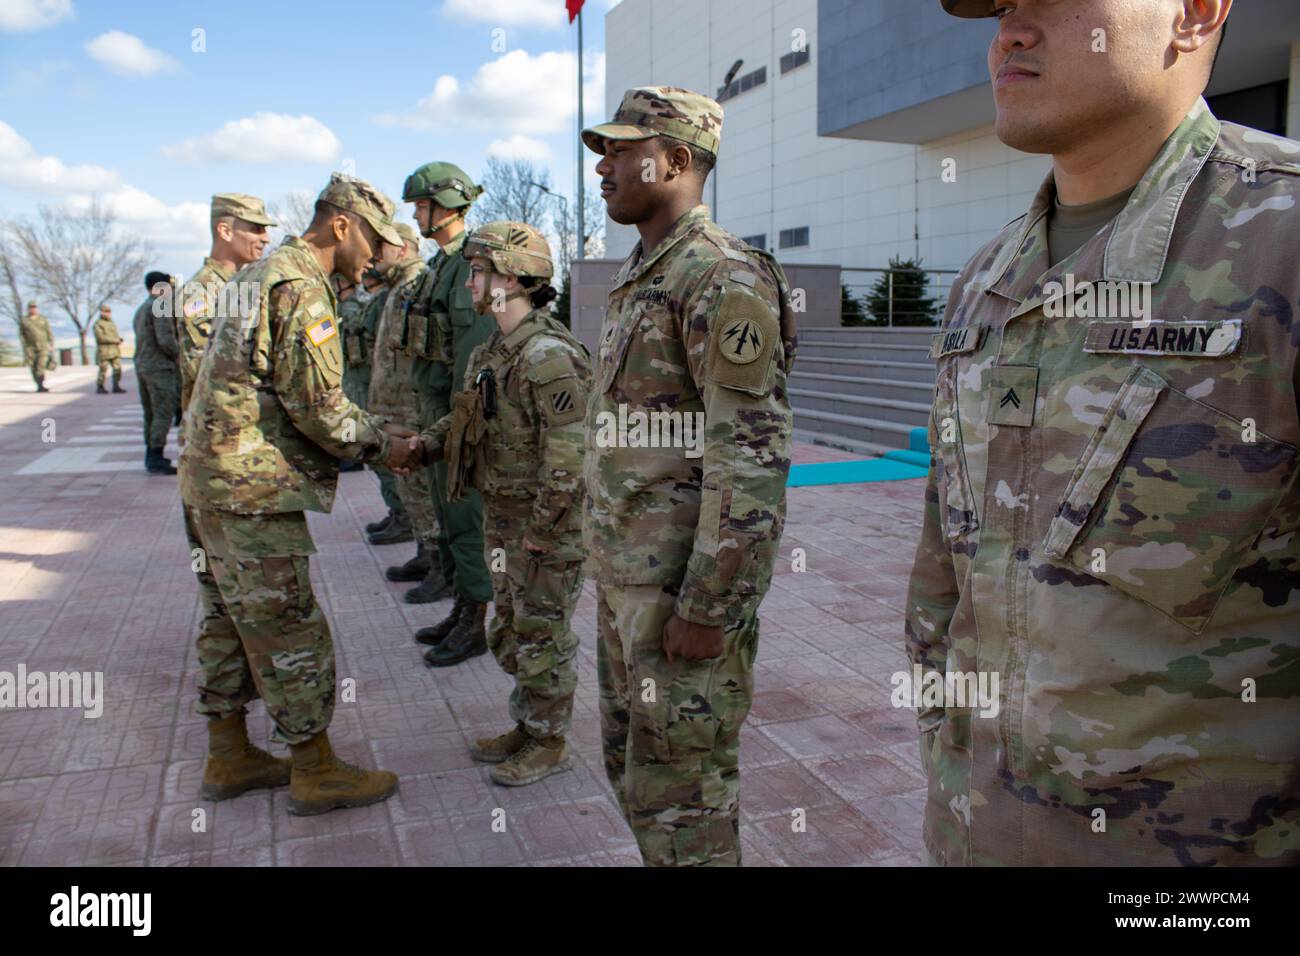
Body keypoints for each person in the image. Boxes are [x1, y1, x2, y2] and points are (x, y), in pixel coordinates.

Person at [910, 0, 1299, 866]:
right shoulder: (988, 275)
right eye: (1000, 8)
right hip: (974, 831)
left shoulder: (1281, 241)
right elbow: (948, 566)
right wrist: (943, 736)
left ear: (1194, 13)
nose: (1009, 30)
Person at [581, 86, 797, 866]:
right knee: (637, 774)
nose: (603, 166)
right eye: (601, 150)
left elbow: (752, 455)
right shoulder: (643, 273)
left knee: (683, 794)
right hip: (627, 582)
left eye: (621, 149)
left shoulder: (719, 276)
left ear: (675, 160)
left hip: (680, 594)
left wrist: (711, 603)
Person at [179, 172, 418, 816]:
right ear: (342, 225)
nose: (376, 253)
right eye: (373, 239)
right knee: (288, 626)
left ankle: (228, 754)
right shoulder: (299, 286)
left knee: (230, 620)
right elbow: (320, 408)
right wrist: (386, 445)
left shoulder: (258, 277)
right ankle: (314, 769)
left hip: (210, 482)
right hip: (252, 490)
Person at [408, 222, 590, 785]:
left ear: (511, 277)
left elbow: (571, 456)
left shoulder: (549, 355)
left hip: (542, 530)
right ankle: (531, 723)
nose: (468, 284)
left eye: (478, 272)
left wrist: (541, 530)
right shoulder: (491, 349)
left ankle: (550, 741)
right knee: (510, 631)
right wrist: (420, 446)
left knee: (542, 635)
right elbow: (464, 418)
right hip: (503, 520)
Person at [400, 162, 496, 660]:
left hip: (455, 415)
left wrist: (460, 424)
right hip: (434, 410)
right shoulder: (440, 266)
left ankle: (477, 618)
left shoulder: (470, 264)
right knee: (444, 512)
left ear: (448, 205)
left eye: (421, 205)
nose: (416, 214)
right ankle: (462, 605)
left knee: (465, 518)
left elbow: (474, 350)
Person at [366, 222, 446, 591]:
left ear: (402, 248)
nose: (373, 254)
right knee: (408, 488)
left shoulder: (419, 283)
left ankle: (438, 563)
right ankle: (424, 550)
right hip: (392, 406)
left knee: (421, 489)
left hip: (410, 406)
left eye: (381, 246)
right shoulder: (397, 288)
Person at [177, 194, 275, 415]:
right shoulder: (201, 293)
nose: (266, 238)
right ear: (225, 231)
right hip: (218, 430)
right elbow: (209, 371)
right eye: (256, 229)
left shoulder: (239, 286)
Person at [352, 265, 410, 542]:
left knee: (387, 456)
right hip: (369, 388)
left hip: (382, 391)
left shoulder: (385, 299)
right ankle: (397, 512)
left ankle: (402, 516)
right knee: (379, 459)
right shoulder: (377, 301)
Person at [133, 271, 180, 474]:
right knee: (163, 413)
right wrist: (178, 355)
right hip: (160, 367)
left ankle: (150, 453)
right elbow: (165, 340)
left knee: (150, 414)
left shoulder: (141, 308)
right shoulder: (160, 306)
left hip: (143, 366)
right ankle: (156, 456)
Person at [18, 300, 54, 393]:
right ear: (28, 308)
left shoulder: (43, 319)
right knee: (33, 366)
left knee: (41, 365)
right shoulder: (24, 320)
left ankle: (41, 384)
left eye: (34, 307)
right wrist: (25, 346)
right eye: (31, 307)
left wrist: (51, 344)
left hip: (43, 346)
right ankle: (38, 384)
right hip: (30, 347)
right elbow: (22, 334)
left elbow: (49, 332)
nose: (33, 309)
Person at [92, 305, 125, 394]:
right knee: (103, 369)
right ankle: (100, 386)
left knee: (117, 368)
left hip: (114, 350)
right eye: (106, 312)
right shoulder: (98, 324)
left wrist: (119, 339)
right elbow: (100, 338)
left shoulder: (111, 323)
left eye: (109, 312)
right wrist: (115, 340)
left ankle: (116, 385)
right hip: (104, 351)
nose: (108, 314)